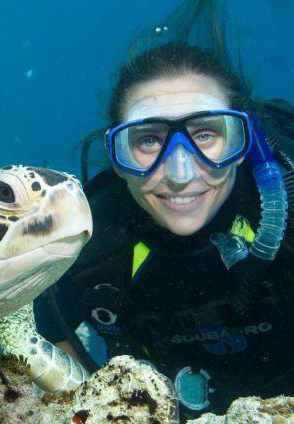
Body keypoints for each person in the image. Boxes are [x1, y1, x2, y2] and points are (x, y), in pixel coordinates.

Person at [34, 41, 294, 417]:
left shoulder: (285, 205)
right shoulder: (87, 246)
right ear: (118, 158)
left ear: (242, 141)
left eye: (205, 134)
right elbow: (40, 338)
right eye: (149, 140)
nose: (180, 175)